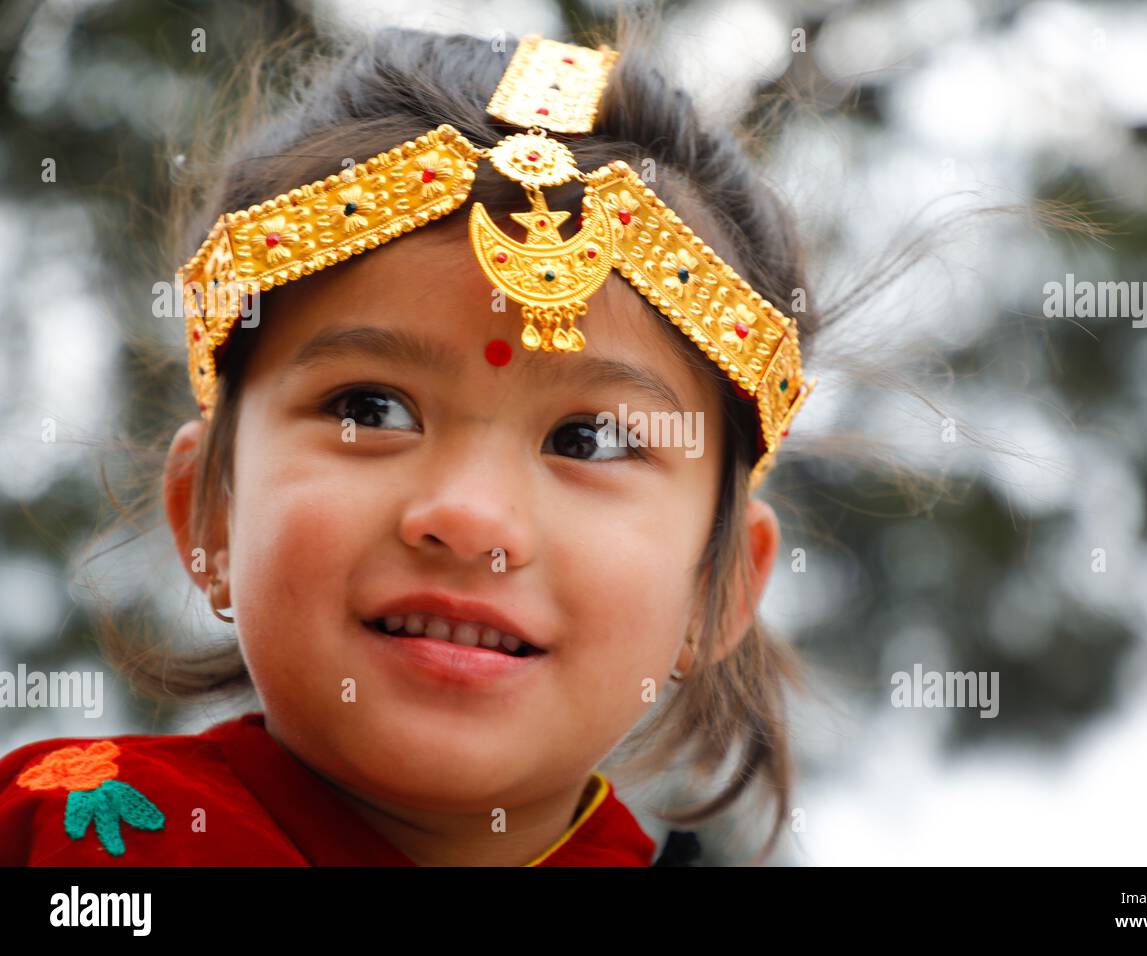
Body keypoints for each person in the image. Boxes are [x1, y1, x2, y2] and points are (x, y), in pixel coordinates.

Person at [0, 10, 829, 866]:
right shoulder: (68, 844)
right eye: (370, 410)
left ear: (720, 587)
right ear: (207, 512)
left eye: (586, 440)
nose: (470, 518)